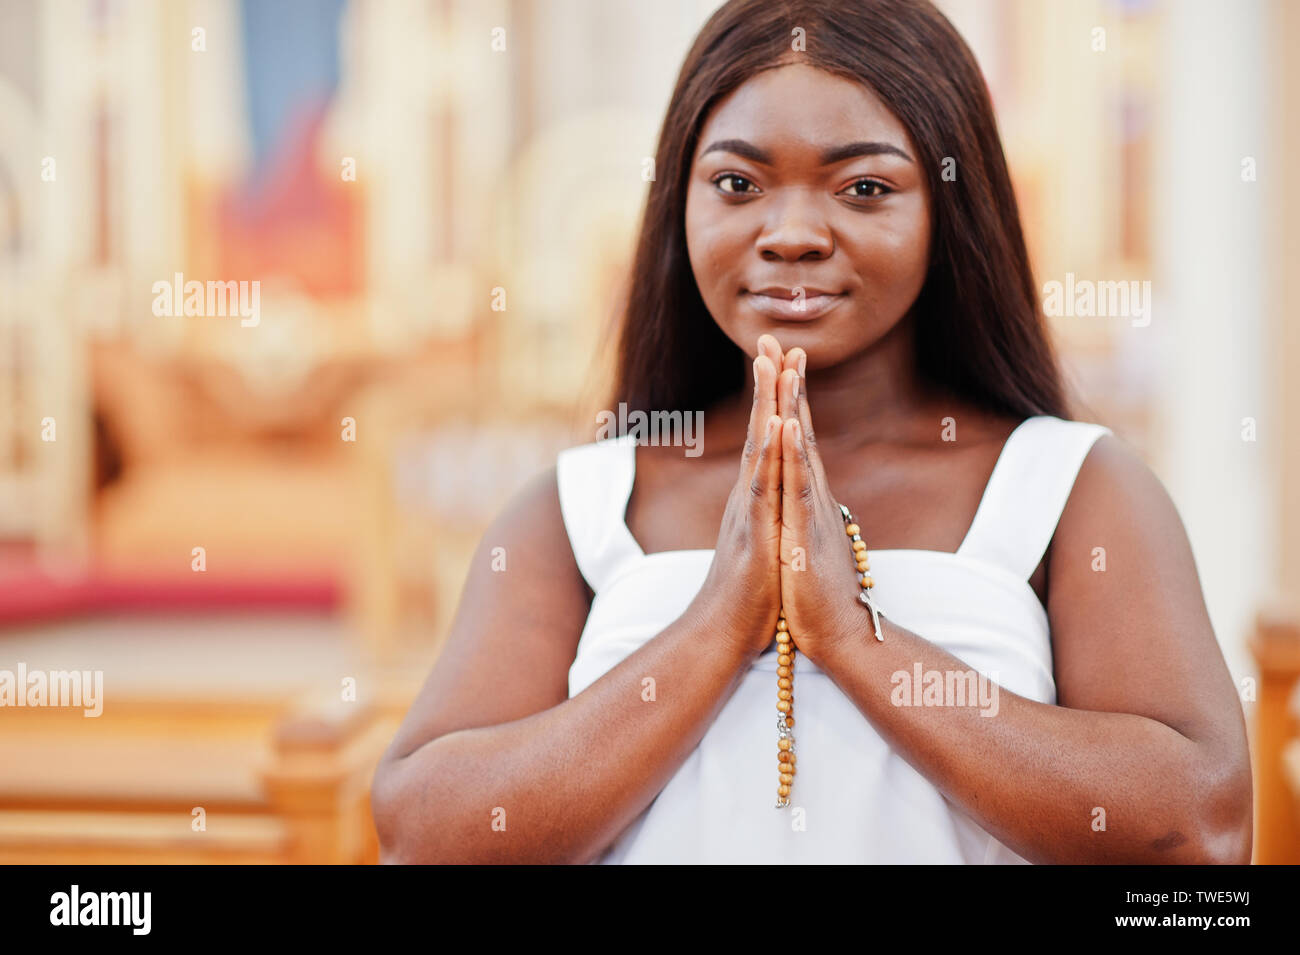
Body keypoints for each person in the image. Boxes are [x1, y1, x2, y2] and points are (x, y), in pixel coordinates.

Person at [370, 0, 1252, 864]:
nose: (791, 234)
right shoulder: (583, 504)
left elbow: (1199, 826)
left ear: (951, 209)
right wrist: (720, 624)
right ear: (681, 204)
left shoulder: (1069, 487)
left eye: (864, 187)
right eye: (738, 184)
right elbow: (422, 830)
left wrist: (852, 636)